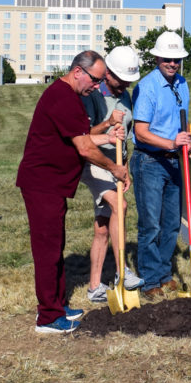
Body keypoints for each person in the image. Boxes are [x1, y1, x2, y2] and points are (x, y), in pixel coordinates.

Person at [16, 50, 128, 334]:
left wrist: (108, 136)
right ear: (78, 71)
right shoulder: (62, 96)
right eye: (95, 80)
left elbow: (83, 137)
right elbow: (85, 148)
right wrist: (114, 169)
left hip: (54, 185)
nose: (96, 86)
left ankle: (58, 304)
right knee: (47, 250)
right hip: (42, 183)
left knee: (56, 245)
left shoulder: (72, 97)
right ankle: (48, 317)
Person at [80, 46, 145, 304]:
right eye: (120, 80)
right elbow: (84, 136)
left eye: (128, 81)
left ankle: (94, 287)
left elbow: (126, 136)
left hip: (116, 163)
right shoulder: (92, 95)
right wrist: (108, 124)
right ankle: (122, 272)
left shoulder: (126, 96)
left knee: (103, 228)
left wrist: (124, 167)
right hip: (94, 161)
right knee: (121, 205)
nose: (124, 85)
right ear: (107, 73)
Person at [130, 31, 191, 298]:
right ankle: (150, 279)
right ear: (157, 57)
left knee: (171, 225)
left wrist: (185, 143)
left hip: (176, 161)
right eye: (167, 58)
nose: (172, 63)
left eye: (176, 59)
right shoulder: (146, 87)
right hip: (150, 161)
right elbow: (141, 132)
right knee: (151, 225)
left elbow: (182, 121)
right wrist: (171, 144)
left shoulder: (183, 83)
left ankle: (165, 273)